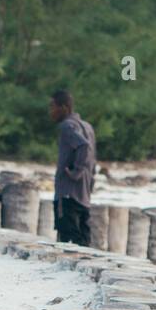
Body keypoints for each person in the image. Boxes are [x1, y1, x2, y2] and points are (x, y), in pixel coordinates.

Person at [50, 90, 96, 246]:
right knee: (84, 244)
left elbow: (84, 146)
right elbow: (92, 159)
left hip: (67, 196)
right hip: (83, 196)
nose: (51, 112)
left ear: (64, 107)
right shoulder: (87, 126)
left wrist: (76, 171)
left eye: (53, 107)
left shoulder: (67, 127)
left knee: (68, 245)